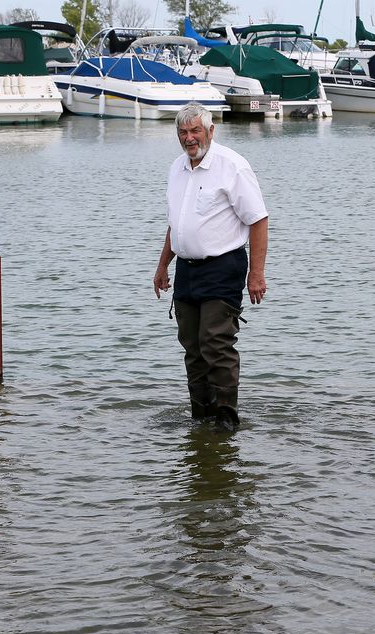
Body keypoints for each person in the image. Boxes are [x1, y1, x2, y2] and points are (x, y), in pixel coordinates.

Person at [153, 102, 269, 431]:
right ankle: (200, 416)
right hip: (186, 270)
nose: (189, 138)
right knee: (191, 346)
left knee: (214, 343)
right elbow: (177, 223)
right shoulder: (177, 168)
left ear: (211, 131)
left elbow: (258, 220)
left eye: (195, 131)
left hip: (223, 266)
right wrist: (163, 266)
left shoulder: (233, 166)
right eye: (183, 132)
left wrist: (256, 274)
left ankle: (226, 420)